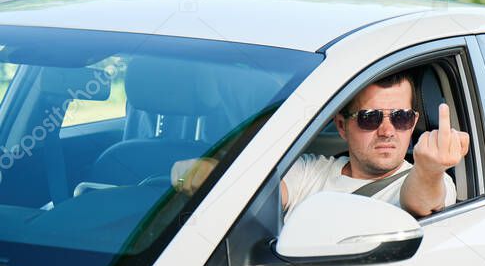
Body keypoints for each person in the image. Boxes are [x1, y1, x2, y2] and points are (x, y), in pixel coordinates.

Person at [173, 72, 470, 218]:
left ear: (413, 120)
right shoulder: (309, 170)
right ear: (342, 125)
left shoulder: (433, 181)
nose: (387, 130)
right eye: (369, 117)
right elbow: (258, 191)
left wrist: (430, 169)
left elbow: (420, 201)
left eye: (401, 117)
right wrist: (202, 172)